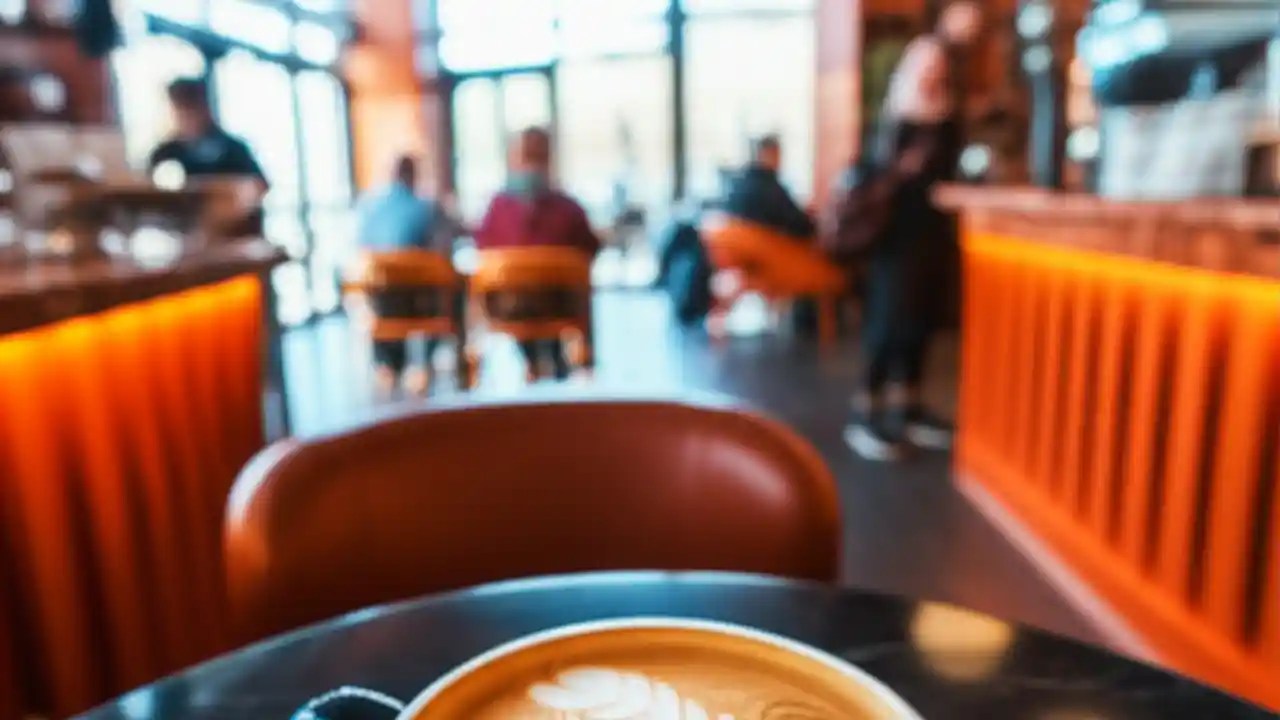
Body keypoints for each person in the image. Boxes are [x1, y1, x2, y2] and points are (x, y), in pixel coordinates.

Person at [844, 0, 980, 462]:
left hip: (928, 227)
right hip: (900, 228)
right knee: (890, 317)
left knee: (918, 319)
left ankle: (909, 409)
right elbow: (903, 167)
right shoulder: (925, 74)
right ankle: (867, 414)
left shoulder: (953, 81)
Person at [474, 127, 601, 380]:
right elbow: (591, 250)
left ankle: (533, 362)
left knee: (516, 291)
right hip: (561, 307)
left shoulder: (496, 209)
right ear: (549, 158)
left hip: (508, 309)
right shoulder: (569, 209)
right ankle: (555, 362)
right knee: (561, 291)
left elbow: (482, 249)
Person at [355, 154, 460, 394]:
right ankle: (427, 362)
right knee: (448, 287)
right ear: (414, 175)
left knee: (385, 291)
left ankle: (389, 365)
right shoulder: (428, 209)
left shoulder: (369, 209)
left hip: (382, 304)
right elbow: (444, 251)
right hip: (422, 304)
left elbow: (361, 253)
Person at [149, 78, 267, 236]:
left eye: (190, 107)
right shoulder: (165, 152)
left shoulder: (233, 147)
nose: (185, 115)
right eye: (179, 108)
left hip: (235, 235)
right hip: (181, 237)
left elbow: (258, 185)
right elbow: (149, 193)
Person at [723, 135, 815, 240]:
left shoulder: (739, 183)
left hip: (741, 248)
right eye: (777, 155)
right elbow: (800, 226)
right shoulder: (769, 188)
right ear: (766, 154)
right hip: (766, 250)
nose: (780, 161)